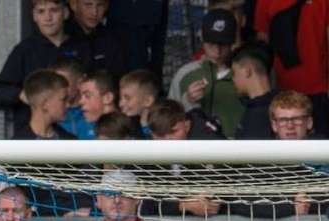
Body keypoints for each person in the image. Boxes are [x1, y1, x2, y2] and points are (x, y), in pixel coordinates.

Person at [0, 0, 83, 135]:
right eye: (41, 11)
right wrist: (25, 95)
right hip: (34, 133)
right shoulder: (24, 50)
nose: (48, 18)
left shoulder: (81, 46)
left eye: (54, 10)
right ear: (34, 16)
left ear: (66, 13)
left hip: (78, 129)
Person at [254, 0, 329, 137]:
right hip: (281, 93)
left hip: (319, 92)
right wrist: (268, 95)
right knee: (282, 154)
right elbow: (262, 53)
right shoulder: (265, 2)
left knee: (321, 153)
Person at [171, 9, 243, 137]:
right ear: (202, 39)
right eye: (211, 43)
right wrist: (187, 100)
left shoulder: (246, 73)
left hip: (236, 151)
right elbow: (167, 119)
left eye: (223, 44)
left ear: (233, 42)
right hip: (194, 151)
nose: (217, 51)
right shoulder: (185, 74)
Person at [64, 0, 126, 81]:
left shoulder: (111, 38)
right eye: (88, 5)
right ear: (73, 5)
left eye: (100, 5)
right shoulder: (62, 35)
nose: (94, 12)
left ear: (106, 6)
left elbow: (117, 77)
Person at [15, 69, 77, 141]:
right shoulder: (18, 144)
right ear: (44, 104)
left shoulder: (70, 141)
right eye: (63, 99)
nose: (68, 105)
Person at [232, 43, 275, 140]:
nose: (233, 79)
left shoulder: (263, 114)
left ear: (247, 71)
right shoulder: (281, 105)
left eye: (234, 73)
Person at [75, 70, 117, 139]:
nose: (80, 101)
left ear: (107, 98)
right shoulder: (80, 127)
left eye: (87, 96)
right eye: (80, 96)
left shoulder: (128, 130)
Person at [117, 69, 161, 135]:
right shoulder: (130, 122)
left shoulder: (161, 125)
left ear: (147, 101)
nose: (120, 104)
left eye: (127, 98)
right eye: (120, 98)